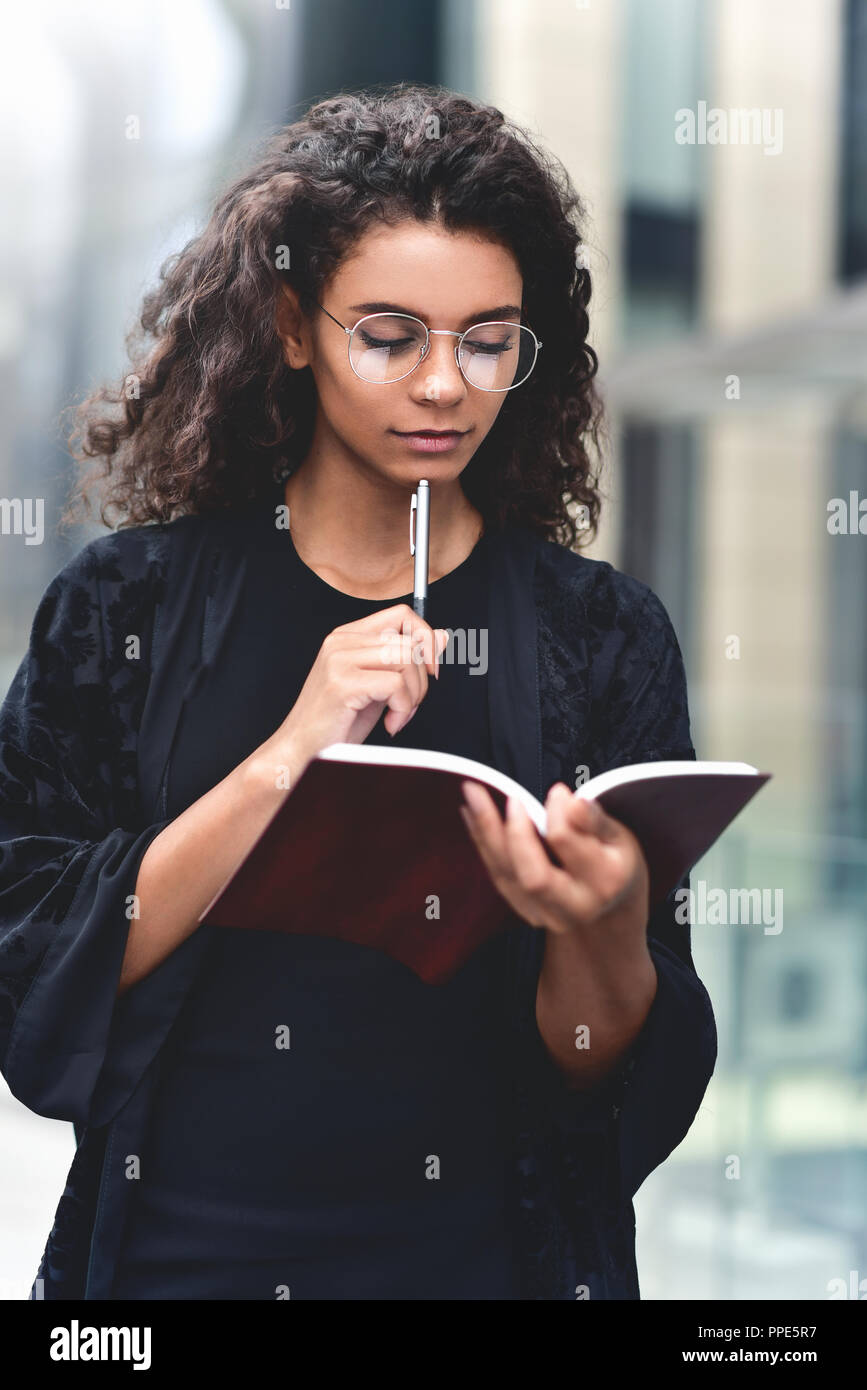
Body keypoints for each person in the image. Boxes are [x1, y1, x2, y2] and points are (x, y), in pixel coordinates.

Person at [0, 83, 716, 1301]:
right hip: (173, 1267)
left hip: (487, 1268)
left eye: (488, 340)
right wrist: (290, 750)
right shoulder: (125, 607)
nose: (445, 386)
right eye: (390, 335)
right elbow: (34, 965)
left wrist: (596, 925)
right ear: (290, 324)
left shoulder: (602, 637)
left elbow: (602, 1072)